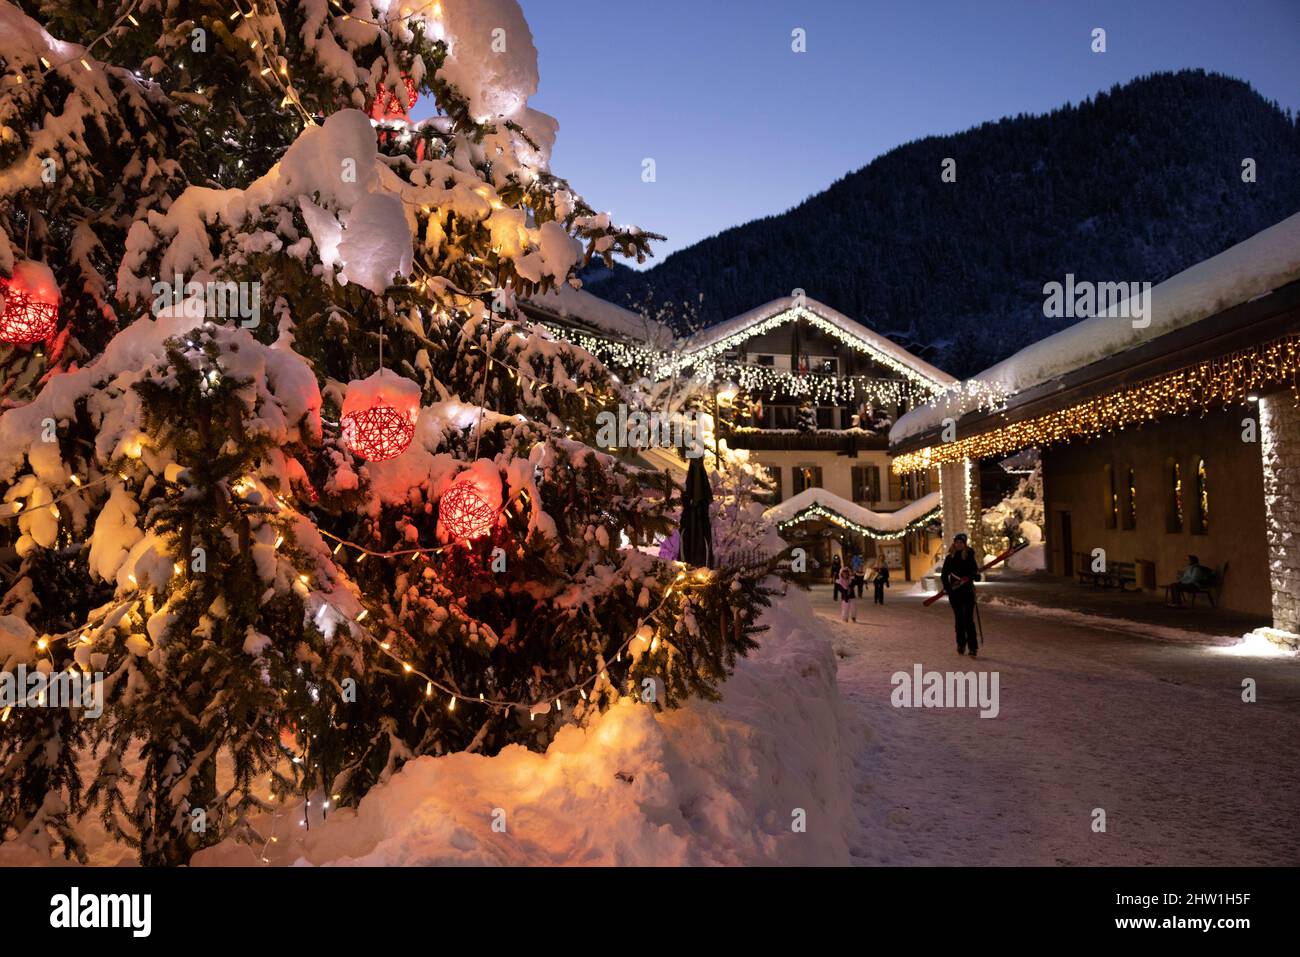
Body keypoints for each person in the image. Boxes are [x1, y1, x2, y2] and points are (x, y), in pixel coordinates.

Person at [940, 533, 981, 656]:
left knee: (968, 619)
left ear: (964, 544)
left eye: (961, 542)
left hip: (968, 592)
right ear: (954, 543)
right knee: (959, 620)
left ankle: (973, 647)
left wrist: (975, 576)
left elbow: (976, 574)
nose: (959, 544)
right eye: (957, 542)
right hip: (955, 593)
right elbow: (944, 575)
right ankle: (961, 644)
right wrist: (948, 588)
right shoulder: (949, 558)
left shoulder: (969, 556)